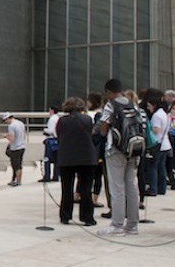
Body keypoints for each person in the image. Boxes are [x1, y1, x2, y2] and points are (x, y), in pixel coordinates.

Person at [97, 79, 140, 237]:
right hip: (132, 149)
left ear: (109, 91)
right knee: (131, 186)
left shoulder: (111, 105)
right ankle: (132, 225)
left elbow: (104, 127)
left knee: (117, 188)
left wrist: (103, 133)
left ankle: (117, 225)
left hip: (116, 150)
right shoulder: (132, 104)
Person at [55, 98, 97, 226]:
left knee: (66, 188)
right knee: (86, 188)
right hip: (87, 157)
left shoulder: (62, 121)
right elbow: (92, 134)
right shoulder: (88, 119)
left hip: (67, 157)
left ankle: (65, 216)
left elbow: (58, 135)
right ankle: (87, 217)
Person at [2, 113, 26, 186]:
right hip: (22, 146)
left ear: (8, 118)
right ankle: (16, 180)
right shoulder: (20, 123)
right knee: (19, 165)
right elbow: (24, 135)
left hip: (15, 148)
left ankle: (18, 181)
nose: (6, 122)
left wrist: (6, 136)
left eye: (5, 120)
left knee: (16, 165)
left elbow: (12, 139)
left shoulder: (11, 126)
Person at [40, 107, 60, 182]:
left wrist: (45, 130)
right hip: (57, 140)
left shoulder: (52, 119)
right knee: (56, 159)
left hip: (51, 140)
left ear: (52, 110)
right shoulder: (58, 118)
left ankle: (47, 176)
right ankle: (56, 175)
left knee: (47, 159)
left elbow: (51, 130)